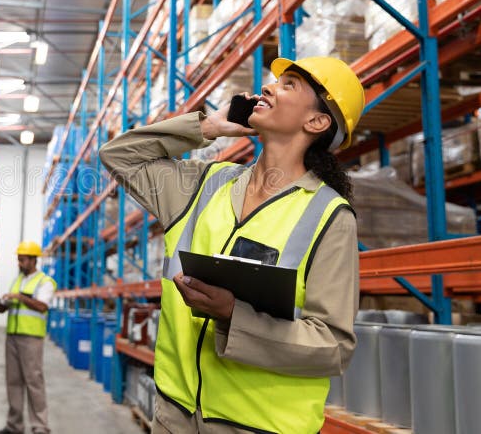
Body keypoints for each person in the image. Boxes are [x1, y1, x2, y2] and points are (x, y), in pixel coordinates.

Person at [99, 56, 365, 433]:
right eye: (275, 81)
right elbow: (119, 157)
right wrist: (207, 125)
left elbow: (333, 346)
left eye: (289, 85)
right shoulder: (205, 184)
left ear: (317, 121)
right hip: (175, 415)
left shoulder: (329, 217)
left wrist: (233, 316)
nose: (269, 87)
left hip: (256, 425)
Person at [0, 240, 57, 434]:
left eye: (23, 260)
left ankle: (40, 426)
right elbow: (6, 307)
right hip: (12, 337)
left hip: (31, 338)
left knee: (34, 382)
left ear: (34, 260)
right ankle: (14, 425)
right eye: (18, 260)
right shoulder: (19, 280)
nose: (20, 263)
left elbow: (42, 306)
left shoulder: (45, 282)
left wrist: (19, 297)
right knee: (13, 381)